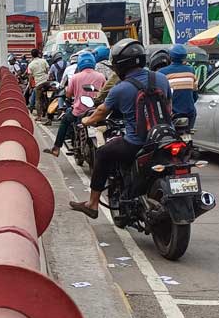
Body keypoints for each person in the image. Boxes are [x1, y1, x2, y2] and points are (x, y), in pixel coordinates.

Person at [70, 39, 172, 219]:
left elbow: (100, 113)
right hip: (165, 138)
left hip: (137, 142)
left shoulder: (121, 88)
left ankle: (92, 204)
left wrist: (85, 121)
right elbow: (169, 106)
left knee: (102, 153)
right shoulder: (162, 79)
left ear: (120, 65)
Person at [45, 52, 106, 157]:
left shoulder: (75, 77)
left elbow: (68, 94)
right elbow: (104, 93)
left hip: (79, 111)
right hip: (96, 111)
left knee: (64, 121)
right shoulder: (101, 77)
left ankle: (56, 148)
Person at [155, 45, 199, 129]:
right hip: (189, 113)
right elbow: (195, 96)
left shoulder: (162, 73)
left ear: (170, 57)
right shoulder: (191, 70)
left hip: (171, 114)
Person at [26, 48, 50, 116]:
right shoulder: (43, 61)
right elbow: (48, 70)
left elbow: (30, 77)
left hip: (39, 83)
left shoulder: (31, 64)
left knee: (38, 100)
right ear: (38, 54)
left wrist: (30, 86)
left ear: (32, 55)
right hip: (47, 82)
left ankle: (39, 116)